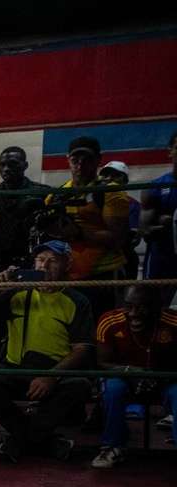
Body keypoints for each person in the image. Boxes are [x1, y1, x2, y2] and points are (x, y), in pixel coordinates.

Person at [0, 241, 93, 463]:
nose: (44, 266)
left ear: (66, 264)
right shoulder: (17, 294)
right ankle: (43, 441)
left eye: (52, 260)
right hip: (15, 369)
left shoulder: (77, 300)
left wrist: (51, 377)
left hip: (54, 372)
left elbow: (81, 349)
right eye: (40, 260)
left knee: (80, 385)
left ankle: (19, 439)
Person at [91, 284, 177, 467]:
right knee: (113, 388)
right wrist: (132, 372)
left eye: (142, 307)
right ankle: (113, 446)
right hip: (125, 378)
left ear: (157, 307)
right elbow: (103, 363)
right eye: (128, 306)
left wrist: (159, 376)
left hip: (166, 379)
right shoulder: (110, 321)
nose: (133, 313)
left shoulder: (173, 321)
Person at [45, 136, 130, 320]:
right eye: (75, 159)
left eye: (87, 159)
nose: (80, 165)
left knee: (103, 328)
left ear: (98, 160)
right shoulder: (56, 195)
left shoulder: (111, 192)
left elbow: (118, 239)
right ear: (68, 159)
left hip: (103, 275)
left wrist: (78, 232)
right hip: (67, 275)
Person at [0, 147, 50, 274]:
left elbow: (53, 233)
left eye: (12, 164)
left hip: (31, 263)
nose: (6, 169)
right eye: (2, 164)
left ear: (25, 165)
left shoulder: (42, 193)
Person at [141, 131, 177, 306]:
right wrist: (164, 226)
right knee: (153, 306)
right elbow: (145, 231)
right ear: (170, 151)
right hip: (162, 257)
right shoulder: (156, 187)